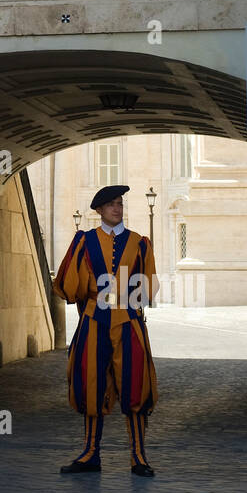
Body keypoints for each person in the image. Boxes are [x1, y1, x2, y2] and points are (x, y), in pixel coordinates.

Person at [52, 184, 159, 477]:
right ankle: (90, 453)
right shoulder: (84, 242)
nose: (117, 208)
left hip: (128, 323)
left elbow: (147, 287)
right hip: (93, 322)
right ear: (99, 210)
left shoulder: (139, 243)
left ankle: (139, 456)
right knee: (90, 385)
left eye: (120, 203)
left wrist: (129, 299)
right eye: (111, 204)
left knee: (135, 386)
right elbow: (68, 286)